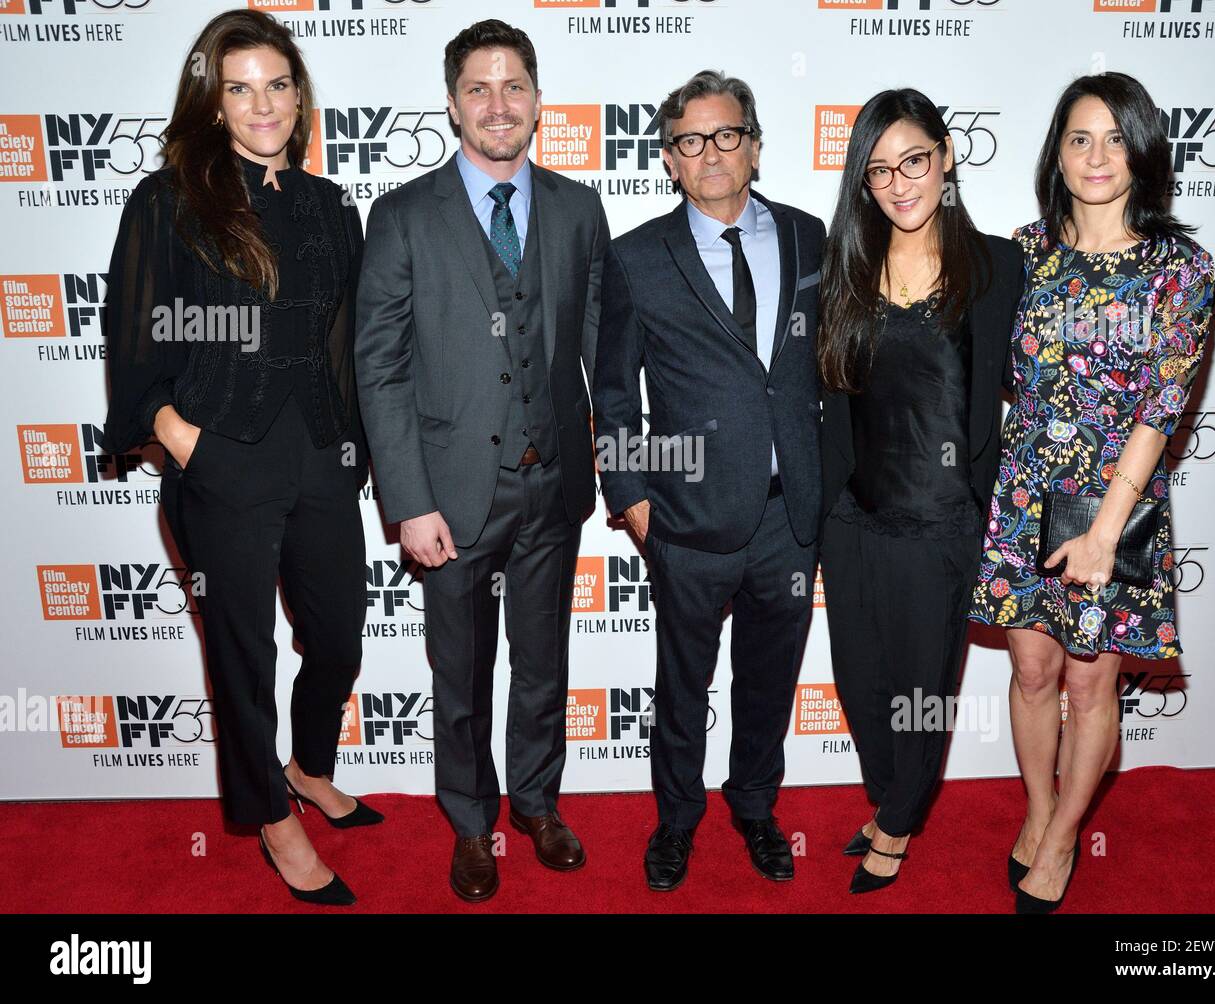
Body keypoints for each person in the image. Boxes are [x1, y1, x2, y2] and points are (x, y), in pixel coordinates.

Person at [101, 10, 375, 907]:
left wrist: (357, 449)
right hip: (223, 459)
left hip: (321, 454)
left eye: (280, 84)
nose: (265, 103)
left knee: (337, 632)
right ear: (213, 104)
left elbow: (346, 340)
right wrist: (184, 441)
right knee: (243, 652)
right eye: (241, 86)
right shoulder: (172, 199)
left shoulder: (333, 207)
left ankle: (306, 765)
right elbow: (133, 340)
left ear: (300, 95)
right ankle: (271, 816)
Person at [354, 19, 609, 904]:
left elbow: (602, 353)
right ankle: (470, 823)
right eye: (478, 88)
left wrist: (611, 464)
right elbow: (377, 368)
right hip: (450, 498)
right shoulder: (402, 216)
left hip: (554, 486)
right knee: (457, 673)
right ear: (453, 102)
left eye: (513, 87)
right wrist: (407, 501)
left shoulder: (579, 209)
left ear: (538, 98)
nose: (497, 105)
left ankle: (536, 802)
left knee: (543, 662)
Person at [968, 72, 1215, 913]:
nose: (1097, 156)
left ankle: (1068, 836)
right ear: (1057, 153)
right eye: (1080, 138)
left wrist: (1107, 531)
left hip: (1116, 501)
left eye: (1115, 138)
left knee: (1088, 684)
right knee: (1034, 672)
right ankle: (1039, 814)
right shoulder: (1024, 251)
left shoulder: (1180, 268)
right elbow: (988, 375)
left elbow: (1161, 406)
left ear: (1142, 150)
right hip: (1025, 488)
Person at [592, 70, 825, 892]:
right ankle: (677, 820)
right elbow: (614, 390)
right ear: (668, 159)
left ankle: (756, 808)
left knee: (770, 678)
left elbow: (824, 374)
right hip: (684, 515)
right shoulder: (633, 257)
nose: (712, 153)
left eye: (728, 135)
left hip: (789, 516)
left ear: (754, 147)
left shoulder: (810, 238)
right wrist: (633, 500)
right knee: (682, 683)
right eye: (691, 140)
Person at [817, 89, 1024, 894]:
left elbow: (1042, 385)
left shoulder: (999, 264)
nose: (900, 184)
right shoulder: (844, 265)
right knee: (862, 686)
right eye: (879, 172)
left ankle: (898, 823)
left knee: (923, 691)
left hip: (943, 522)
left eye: (914, 160)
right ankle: (887, 797)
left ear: (946, 155)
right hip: (854, 517)